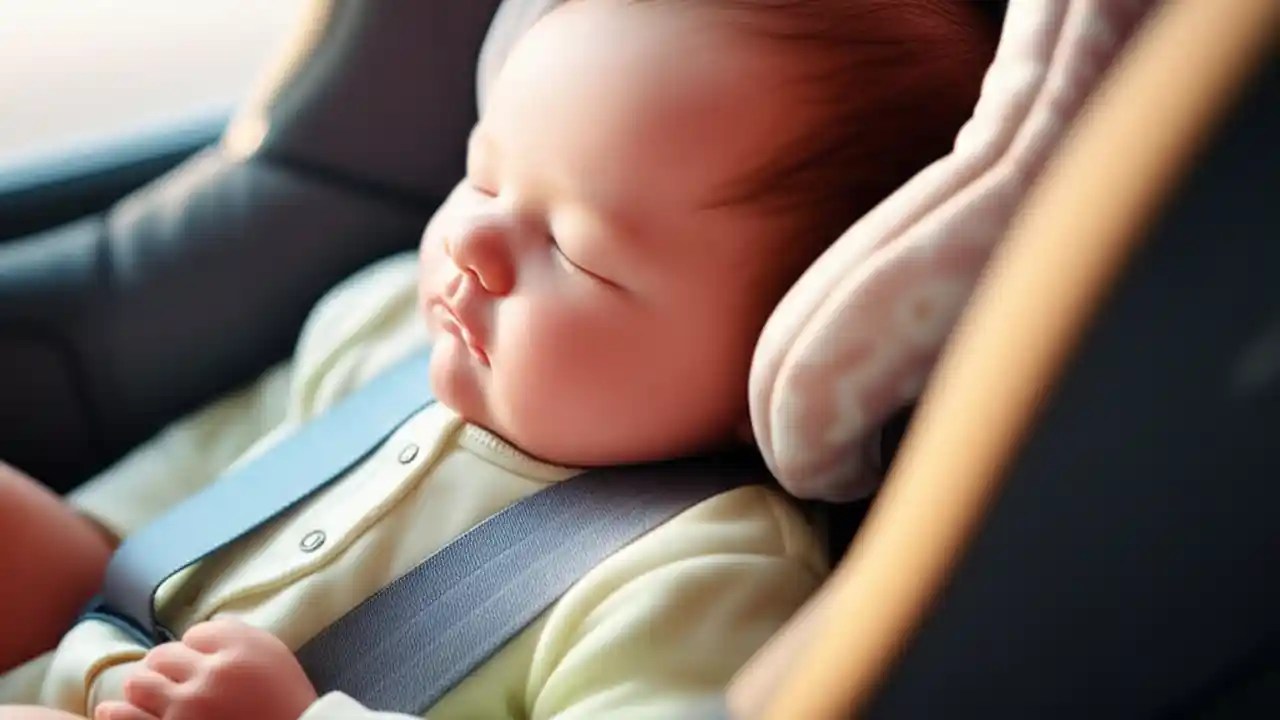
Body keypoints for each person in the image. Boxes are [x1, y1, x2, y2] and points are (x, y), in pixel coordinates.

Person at [0, 0, 992, 717]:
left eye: (576, 253)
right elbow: (155, 521)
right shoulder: (384, 327)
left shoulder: (701, 573)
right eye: (482, 175)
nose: (473, 241)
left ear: (786, 356)